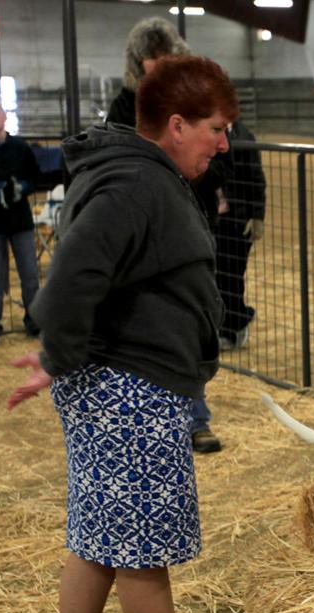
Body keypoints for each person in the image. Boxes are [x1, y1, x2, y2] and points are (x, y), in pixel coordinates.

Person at [6, 55, 254, 613]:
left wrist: (65, 360)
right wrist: (60, 353)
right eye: (215, 128)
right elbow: (69, 282)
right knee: (140, 551)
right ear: (176, 125)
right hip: (129, 394)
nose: (223, 143)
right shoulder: (135, 186)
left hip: (117, 383)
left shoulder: (136, 172)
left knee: (98, 541)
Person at [107, 16, 231, 454]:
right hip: (142, 233)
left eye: (167, 62)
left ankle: (196, 418)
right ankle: (158, 416)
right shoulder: (125, 106)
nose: (159, 72)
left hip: (192, 223)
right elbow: (116, 165)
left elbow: (217, 156)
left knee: (195, 315)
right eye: (152, 64)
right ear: (139, 66)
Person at [0, 99, 41, 344]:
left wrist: (22, 187)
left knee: (30, 273)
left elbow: (35, 177)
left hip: (21, 221)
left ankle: (35, 320)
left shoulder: (21, 148)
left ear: (5, 116)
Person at [215, 117, 265, 350]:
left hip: (237, 220)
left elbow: (256, 179)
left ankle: (235, 326)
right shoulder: (207, 133)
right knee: (216, 276)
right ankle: (230, 322)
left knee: (232, 276)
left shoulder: (244, 138)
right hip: (213, 219)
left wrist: (257, 216)